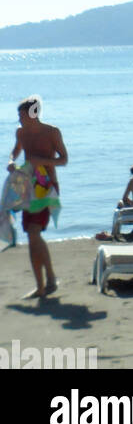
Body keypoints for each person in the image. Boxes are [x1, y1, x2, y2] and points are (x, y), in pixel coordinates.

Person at [7, 96, 67, 299]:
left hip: (47, 185)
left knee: (33, 233)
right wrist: (11, 161)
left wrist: (41, 160)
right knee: (33, 235)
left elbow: (64, 159)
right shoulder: (21, 132)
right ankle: (48, 280)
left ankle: (42, 287)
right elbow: (16, 150)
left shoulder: (52, 132)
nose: (19, 119)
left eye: (22, 115)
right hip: (27, 185)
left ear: (33, 114)